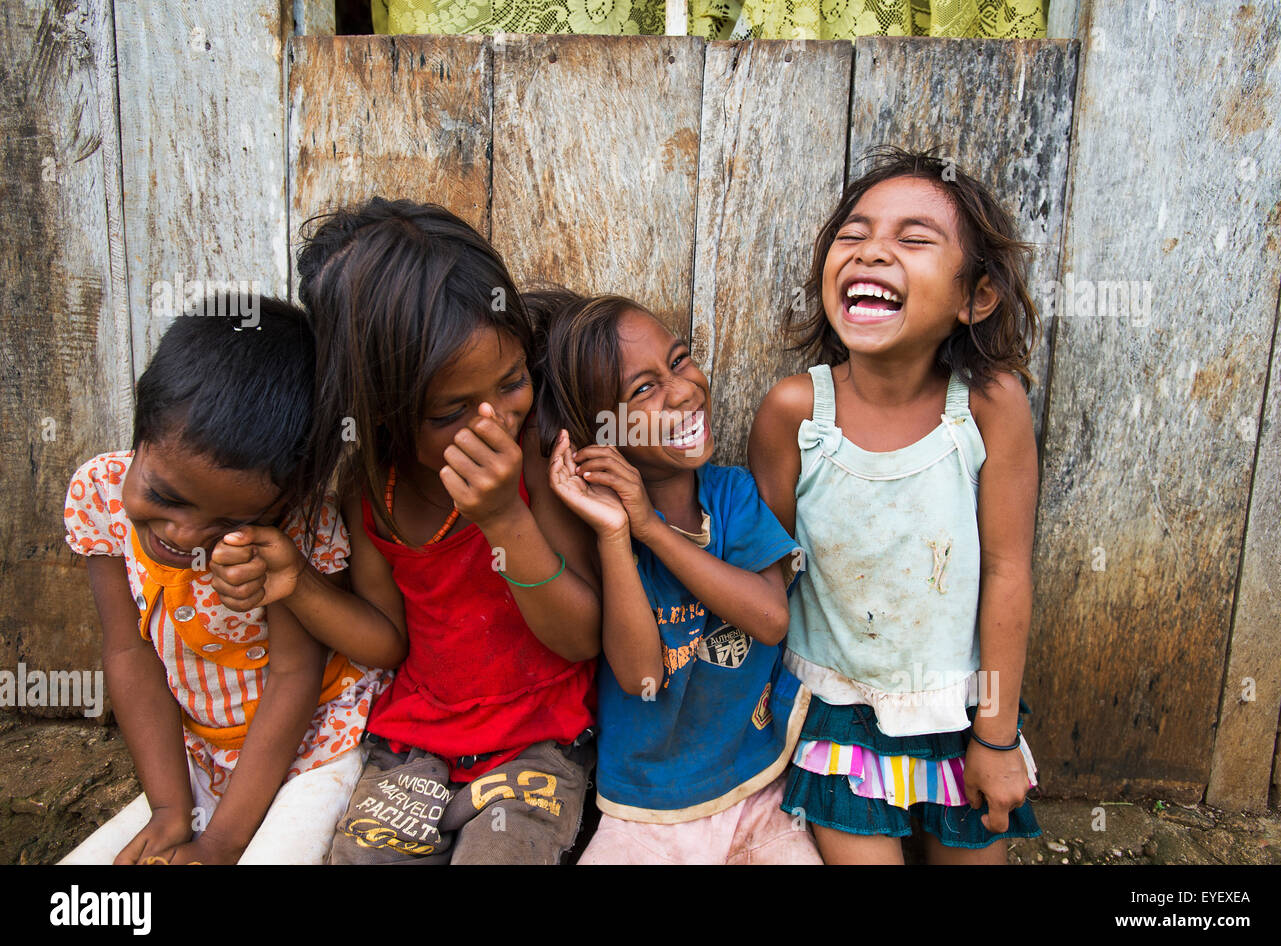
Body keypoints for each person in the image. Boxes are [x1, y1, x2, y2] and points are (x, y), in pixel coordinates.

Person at [214, 199, 602, 864]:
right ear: (386, 412)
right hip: (416, 740)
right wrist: (297, 584)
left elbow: (582, 636)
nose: (493, 419)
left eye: (511, 381)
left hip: (538, 736)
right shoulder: (376, 493)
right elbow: (389, 643)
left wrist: (506, 519)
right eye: (451, 410)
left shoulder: (539, 454)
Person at [748, 146, 1042, 864]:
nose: (872, 250)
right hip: (837, 721)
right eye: (854, 235)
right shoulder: (796, 413)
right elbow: (767, 581)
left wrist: (996, 737)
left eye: (913, 239)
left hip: (960, 711)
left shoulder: (987, 407)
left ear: (975, 298)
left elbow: (1008, 568)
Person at [59, 296, 386, 865]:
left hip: (316, 743)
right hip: (199, 753)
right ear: (140, 431)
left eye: (231, 522)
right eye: (164, 496)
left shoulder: (287, 535)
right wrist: (168, 810)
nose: (184, 535)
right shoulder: (100, 498)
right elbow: (128, 651)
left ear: (286, 500)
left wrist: (220, 844)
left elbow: (293, 678)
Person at [530, 286, 822, 864]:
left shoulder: (732, 495)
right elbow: (642, 675)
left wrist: (652, 528)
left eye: (680, 359)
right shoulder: (601, 536)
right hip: (644, 809)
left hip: (758, 793)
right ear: (602, 438)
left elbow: (769, 618)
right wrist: (619, 533)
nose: (684, 391)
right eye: (644, 390)